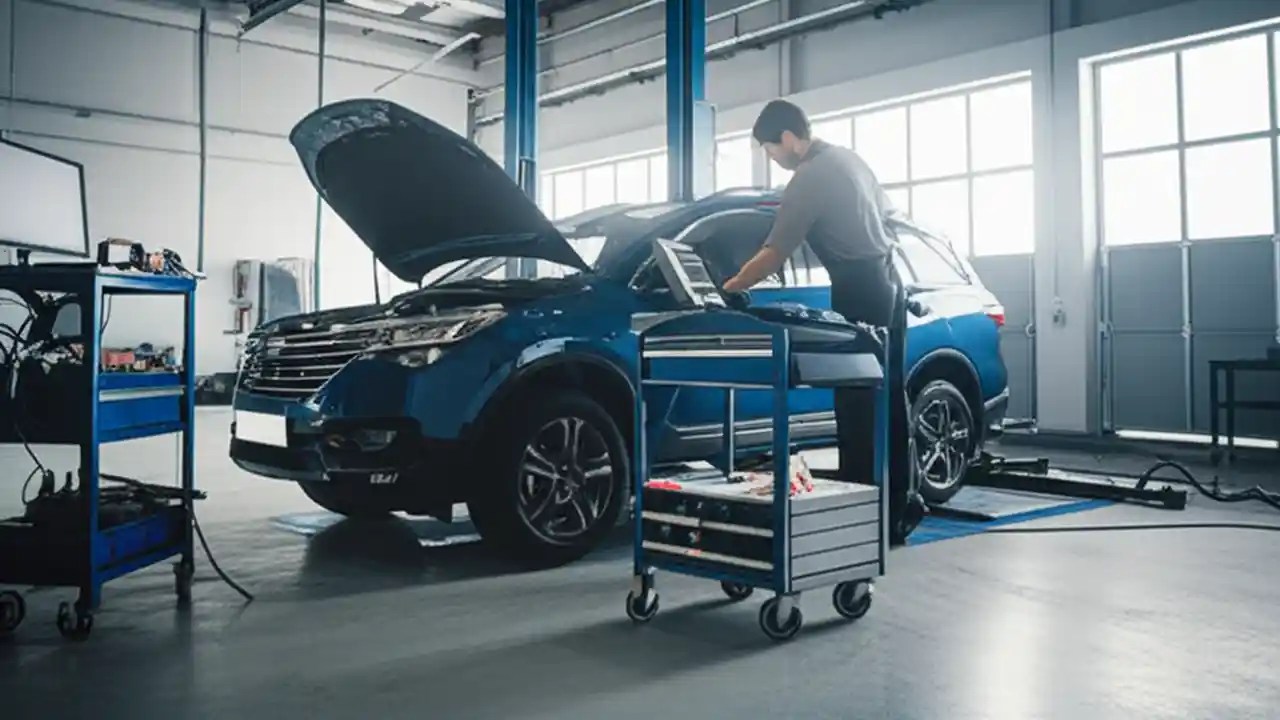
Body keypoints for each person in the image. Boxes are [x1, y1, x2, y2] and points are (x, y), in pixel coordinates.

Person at [723, 99, 926, 545]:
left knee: (856, 407)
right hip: (890, 284)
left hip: (859, 290)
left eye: (771, 150)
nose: (773, 159)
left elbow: (775, 252)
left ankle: (859, 518)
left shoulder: (809, 178)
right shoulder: (851, 160)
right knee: (890, 399)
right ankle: (898, 508)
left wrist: (732, 286)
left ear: (791, 139)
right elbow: (891, 219)